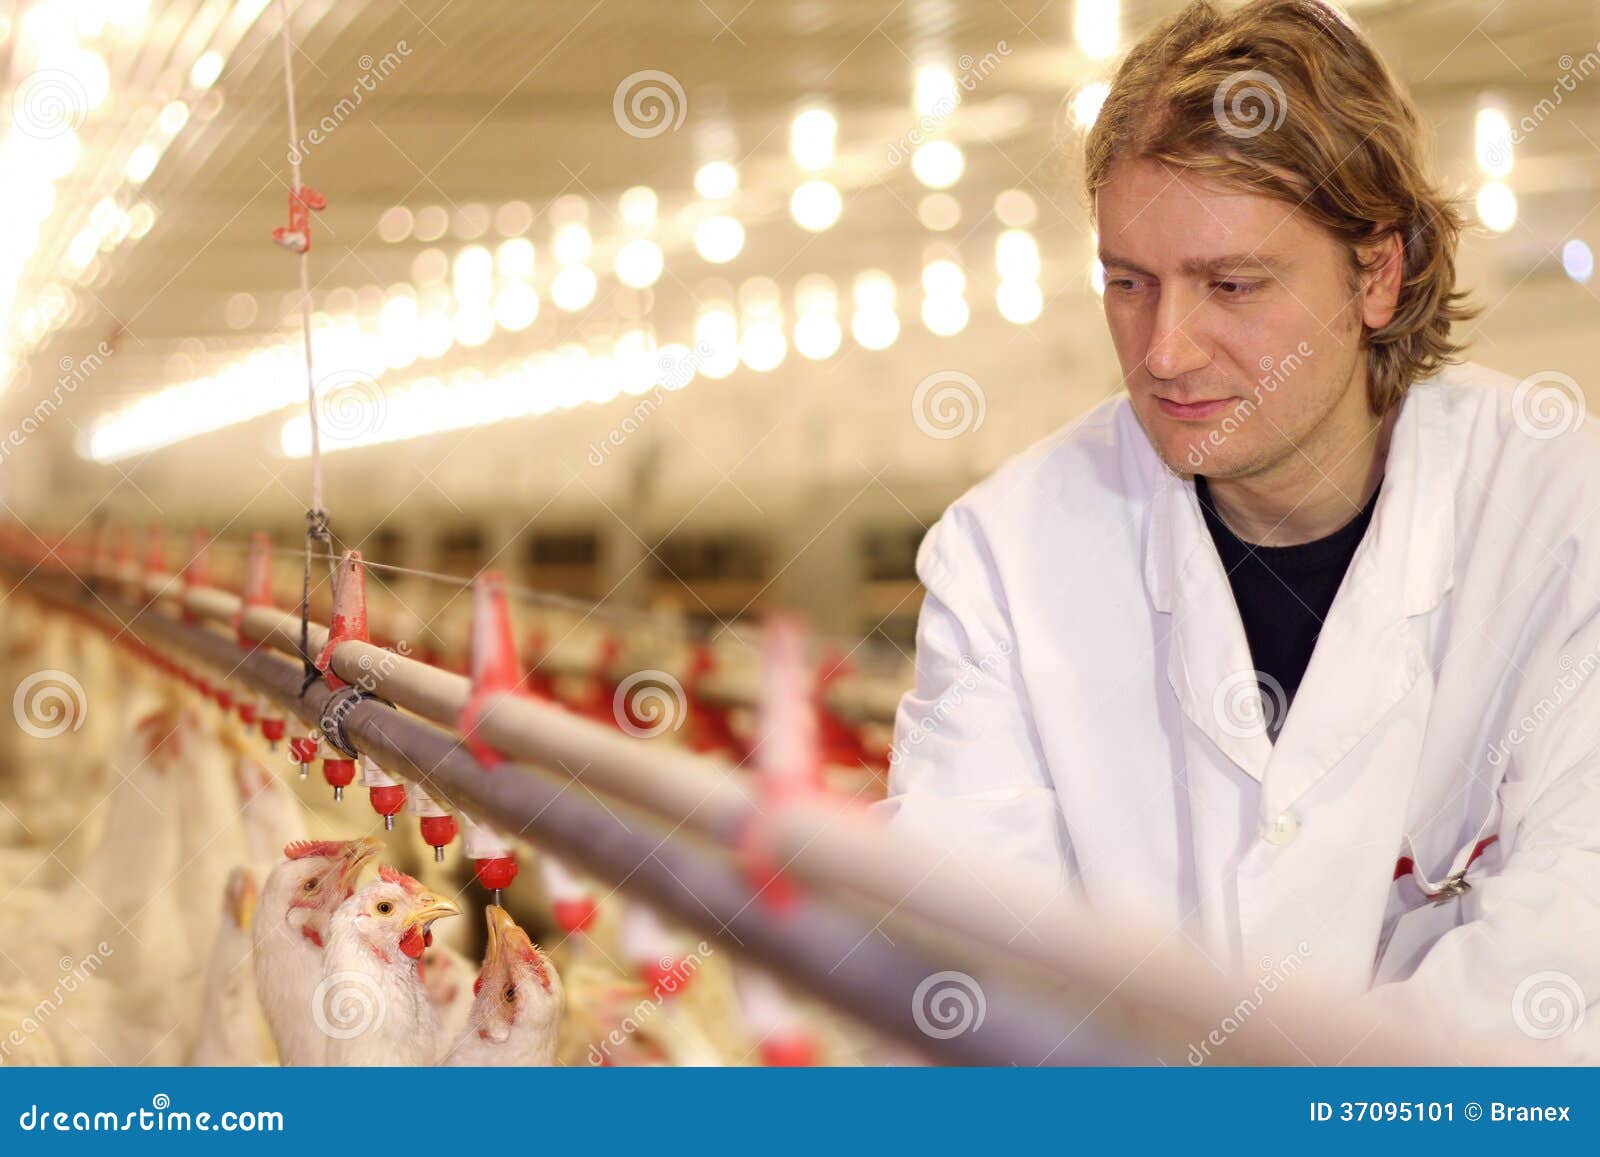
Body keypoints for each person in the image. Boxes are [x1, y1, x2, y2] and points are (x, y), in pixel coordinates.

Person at [879, 0, 1599, 1056]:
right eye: (1128, 283)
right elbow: (969, 960)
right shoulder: (1004, 557)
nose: (1164, 351)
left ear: (1378, 273)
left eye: (1232, 284)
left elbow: (1561, 967)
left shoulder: (1563, 516)